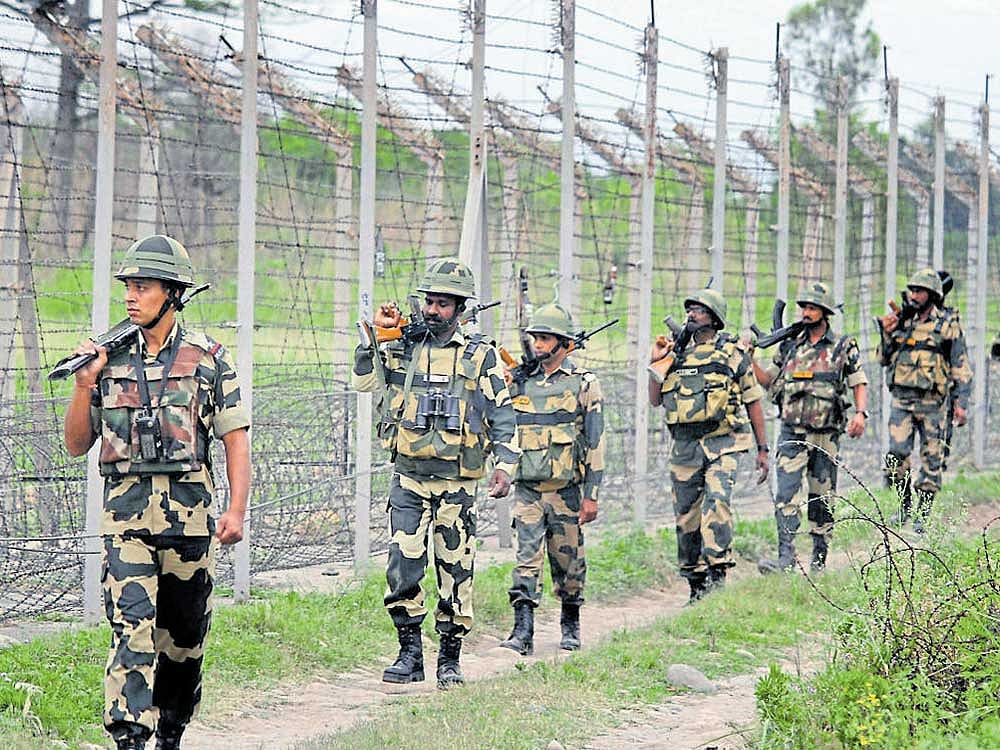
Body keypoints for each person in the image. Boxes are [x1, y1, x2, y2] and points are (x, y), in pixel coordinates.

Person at [62, 235, 251, 750]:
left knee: (183, 641)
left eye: (141, 287)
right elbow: (78, 443)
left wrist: (235, 510)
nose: (130, 296)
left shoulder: (208, 360)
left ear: (171, 293)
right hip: (125, 524)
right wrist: (84, 386)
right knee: (132, 629)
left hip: (190, 525)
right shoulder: (108, 361)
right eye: (127, 286)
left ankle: (171, 727)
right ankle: (129, 737)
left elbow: (235, 439)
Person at [352, 258, 520, 688]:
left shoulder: (480, 356)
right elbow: (366, 382)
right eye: (429, 301)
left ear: (460, 308)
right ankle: (410, 654)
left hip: (457, 483)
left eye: (442, 304)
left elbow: (501, 413)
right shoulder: (404, 347)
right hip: (408, 478)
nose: (432, 311)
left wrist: (504, 463)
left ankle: (450, 659)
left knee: (454, 569)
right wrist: (375, 337)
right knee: (402, 567)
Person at [648, 288, 768, 602]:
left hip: (723, 442)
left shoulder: (731, 353)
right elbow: (655, 399)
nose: (691, 315)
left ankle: (718, 578)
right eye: (689, 310)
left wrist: (763, 449)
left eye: (699, 311)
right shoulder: (675, 353)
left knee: (717, 506)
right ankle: (695, 584)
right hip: (685, 447)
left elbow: (753, 401)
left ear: (714, 319)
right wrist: (656, 363)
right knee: (686, 518)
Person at [498, 303, 605, 656]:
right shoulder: (520, 381)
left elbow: (595, 440)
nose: (538, 345)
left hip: (566, 491)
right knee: (525, 557)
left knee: (568, 561)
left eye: (545, 339)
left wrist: (592, 495)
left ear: (563, 343)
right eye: (536, 339)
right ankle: (522, 630)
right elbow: (501, 427)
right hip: (528, 487)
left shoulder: (583, 383)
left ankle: (570, 622)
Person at [749, 282, 868, 573]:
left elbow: (858, 380)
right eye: (803, 306)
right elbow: (768, 381)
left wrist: (861, 414)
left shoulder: (842, 345)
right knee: (786, 494)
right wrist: (749, 358)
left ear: (824, 312)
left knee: (822, 496)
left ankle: (819, 559)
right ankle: (785, 558)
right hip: (792, 432)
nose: (805, 312)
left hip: (826, 434)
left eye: (812, 307)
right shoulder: (790, 346)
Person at [879, 268, 972, 533]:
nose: (914, 295)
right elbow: (884, 358)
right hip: (902, 402)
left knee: (932, 459)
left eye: (919, 291)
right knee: (896, 456)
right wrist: (887, 333)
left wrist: (961, 402)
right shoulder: (902, 321)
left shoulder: (946, 324)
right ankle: (905, 504)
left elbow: (961, 365)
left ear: (932, 295)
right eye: (912, 290)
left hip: (933, 404)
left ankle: (923, 513)